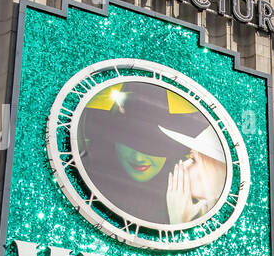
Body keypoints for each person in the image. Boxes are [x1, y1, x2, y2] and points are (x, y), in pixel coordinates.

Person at [77, 80, 228, 227]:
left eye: (154, 147)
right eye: (127, 142)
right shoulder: (83, 182)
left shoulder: (194, 201)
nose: (138, 157)